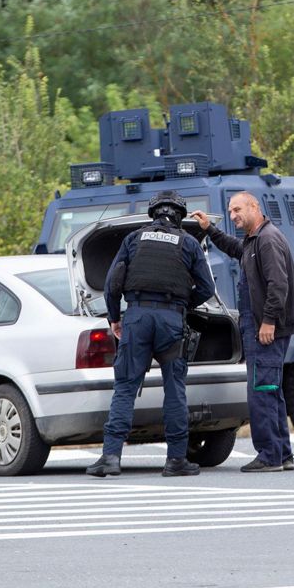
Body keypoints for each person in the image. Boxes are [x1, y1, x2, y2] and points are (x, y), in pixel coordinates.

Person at [86, 190, 215, 478]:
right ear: (180, 216)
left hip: (137, 318)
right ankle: (176, 460)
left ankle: (110, 457)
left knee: (125, 388)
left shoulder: (134, 239)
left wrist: (114, 318)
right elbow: (207, 288)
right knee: (174, 389)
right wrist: (183, 304)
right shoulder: (190, 244)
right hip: (171, 320)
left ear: (153, 213)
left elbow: (112, 284)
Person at [191, 192, 294, 472]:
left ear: (254, 207)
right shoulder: (254, 240)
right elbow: (234, 248)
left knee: (261, 389)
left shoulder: (268, 239)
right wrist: (209, 230)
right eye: (230, 210)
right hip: (260, 324)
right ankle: (282, 453)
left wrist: (268, 322)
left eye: (238, 209)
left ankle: (269, 455)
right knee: (271, 389)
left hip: (266, 327)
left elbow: (278, 285)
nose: (233, 214)